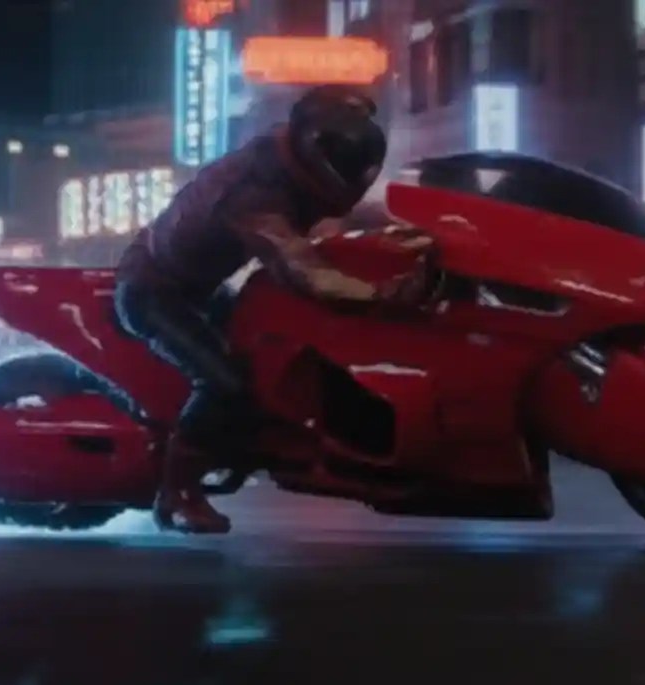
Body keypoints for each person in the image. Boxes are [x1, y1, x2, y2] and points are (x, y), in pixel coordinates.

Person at [115, 85, 432, 534]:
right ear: (314, 147)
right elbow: (304, 267)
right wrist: (382, 295)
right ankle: (178, 491)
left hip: (199, 289)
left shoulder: (288, 165)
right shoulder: (254, 195)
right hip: (154, 290)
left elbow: (349, 222)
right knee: (227, 384)